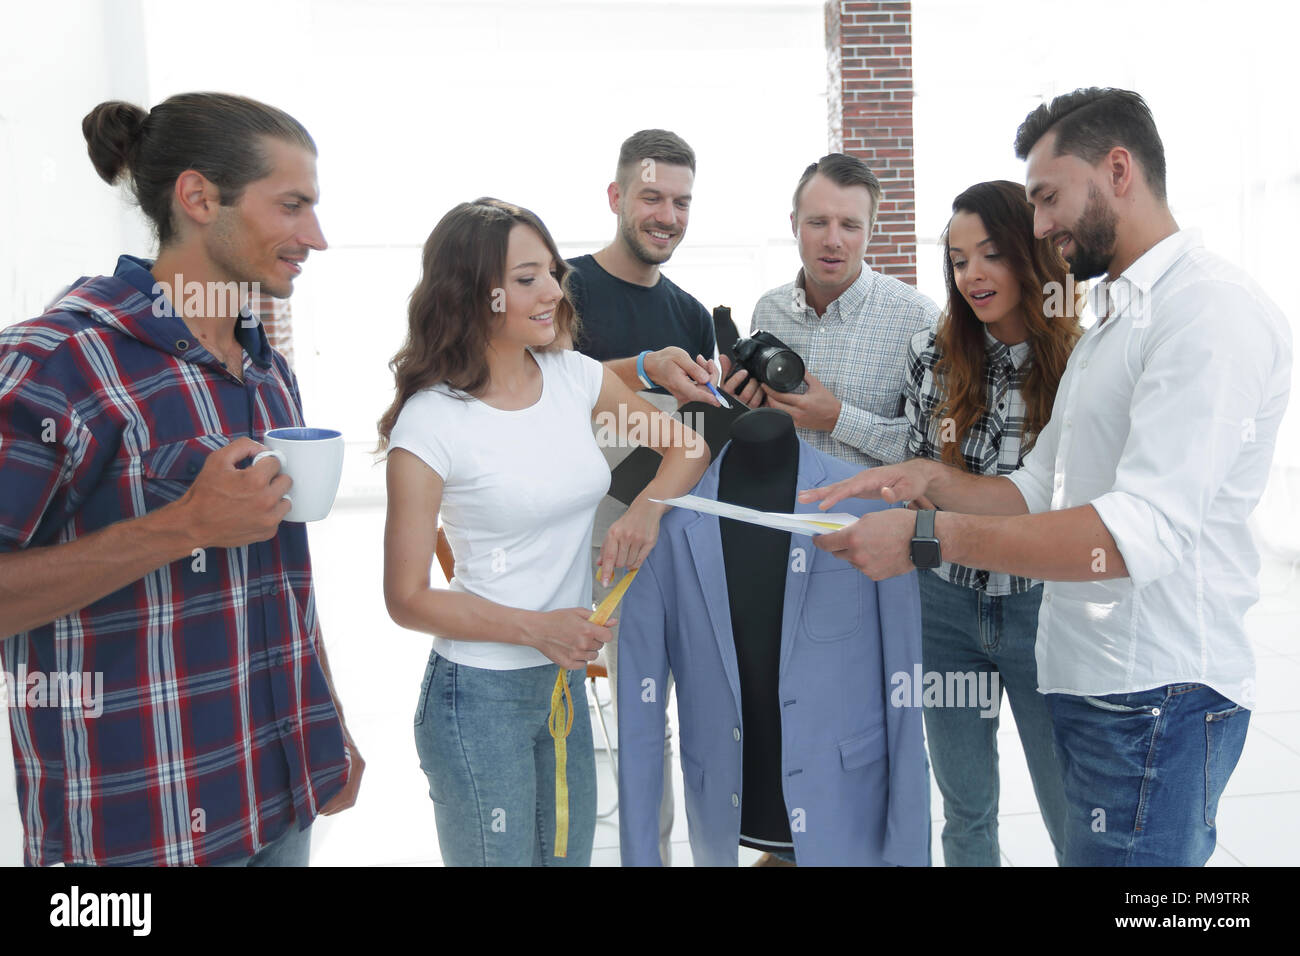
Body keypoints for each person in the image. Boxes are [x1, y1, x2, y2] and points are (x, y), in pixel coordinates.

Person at [803, 88, 1292, 867]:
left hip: (1155, 700)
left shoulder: (1206, 312)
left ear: (1118, 170)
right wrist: (924, 476)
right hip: (1100, 688)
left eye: (1046, 198)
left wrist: (924, 538)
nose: (1038, 227)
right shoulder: (1116, 323)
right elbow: (1035, 489)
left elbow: (1139, 535)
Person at [0, 93, 362, 867]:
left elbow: (280, 574)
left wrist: (326, 728)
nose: (316, 238)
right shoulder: (57, 363)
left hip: (280, 801)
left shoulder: (266, 370)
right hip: (137, 833)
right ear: (199, 198)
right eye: (292, 206)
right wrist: (184, 527)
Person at [380, 198, 707, 867]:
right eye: (528, 277)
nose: (556, 290)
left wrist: (647, 509)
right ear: (477, 292)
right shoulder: (431, 422)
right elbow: (406, 598)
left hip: (556, 691)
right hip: (478, 697)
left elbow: (688, 449)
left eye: (552, 272)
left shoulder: (574, 379)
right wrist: (538, 629)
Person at [903, 180, 1080, 866]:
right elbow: (918, 465)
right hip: (943, 607)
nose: (971, 274)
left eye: (990, 254)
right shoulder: (935, 351)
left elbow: (1070, 502)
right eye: (956, 260)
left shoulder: (1079, 361)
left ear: (1031, 255)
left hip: (1043, 610)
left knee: (1072, 810)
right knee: (966, 813)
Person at [564, 129, 719, 865]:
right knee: (635, 716)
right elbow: (546, 392)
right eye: (652, 196)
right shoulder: (559, 289)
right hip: (592, 542)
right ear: (617, 197)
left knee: (684, 714)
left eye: (682, 202)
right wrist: (645, 367)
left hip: (669, 533)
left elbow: (694, 436)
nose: (667, 214)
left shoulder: (690, 313)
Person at [739, 153, 939, 469]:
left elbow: (937, 449)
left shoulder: (918, 318)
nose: (833, 241)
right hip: (777, 508)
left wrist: (838, 419)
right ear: (794, 225)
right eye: (817, 222)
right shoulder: (768, 310)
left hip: (871, 515)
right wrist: (742, 404)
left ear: (870, 230)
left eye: (849, 225)